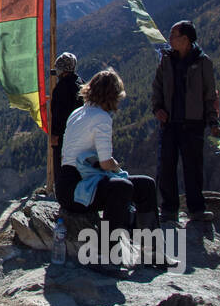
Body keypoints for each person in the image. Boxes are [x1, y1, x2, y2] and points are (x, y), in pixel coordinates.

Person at [55, 68, 161, 267]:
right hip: (77, 187)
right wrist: (118, 168)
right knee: (125, 187)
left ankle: (148, 251)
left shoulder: (78, 113)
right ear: (113, 96)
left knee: (142, 185)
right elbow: (105, 163)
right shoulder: (102, 118)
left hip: (67, 184)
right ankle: (111, 253)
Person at [151, 20, 220, 225]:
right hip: (170, 122)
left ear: (185, 39)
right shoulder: (167, 61)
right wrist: (157, 108)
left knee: (193, 167)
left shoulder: (202, 63)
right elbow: (157, 87)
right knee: (167, 166)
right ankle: (169, 209)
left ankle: (196, 208)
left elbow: (210, 94)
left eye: (173, 35)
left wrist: (213, 120)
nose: (170, 39)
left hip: (193, 123)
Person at [47, 52, 83, 171]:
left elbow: (59, 113)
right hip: (80, 134)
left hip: (64, 137)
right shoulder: (81, 83)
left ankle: (62, 188)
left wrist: (55, 134)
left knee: (61, 168)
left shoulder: (62, 88)